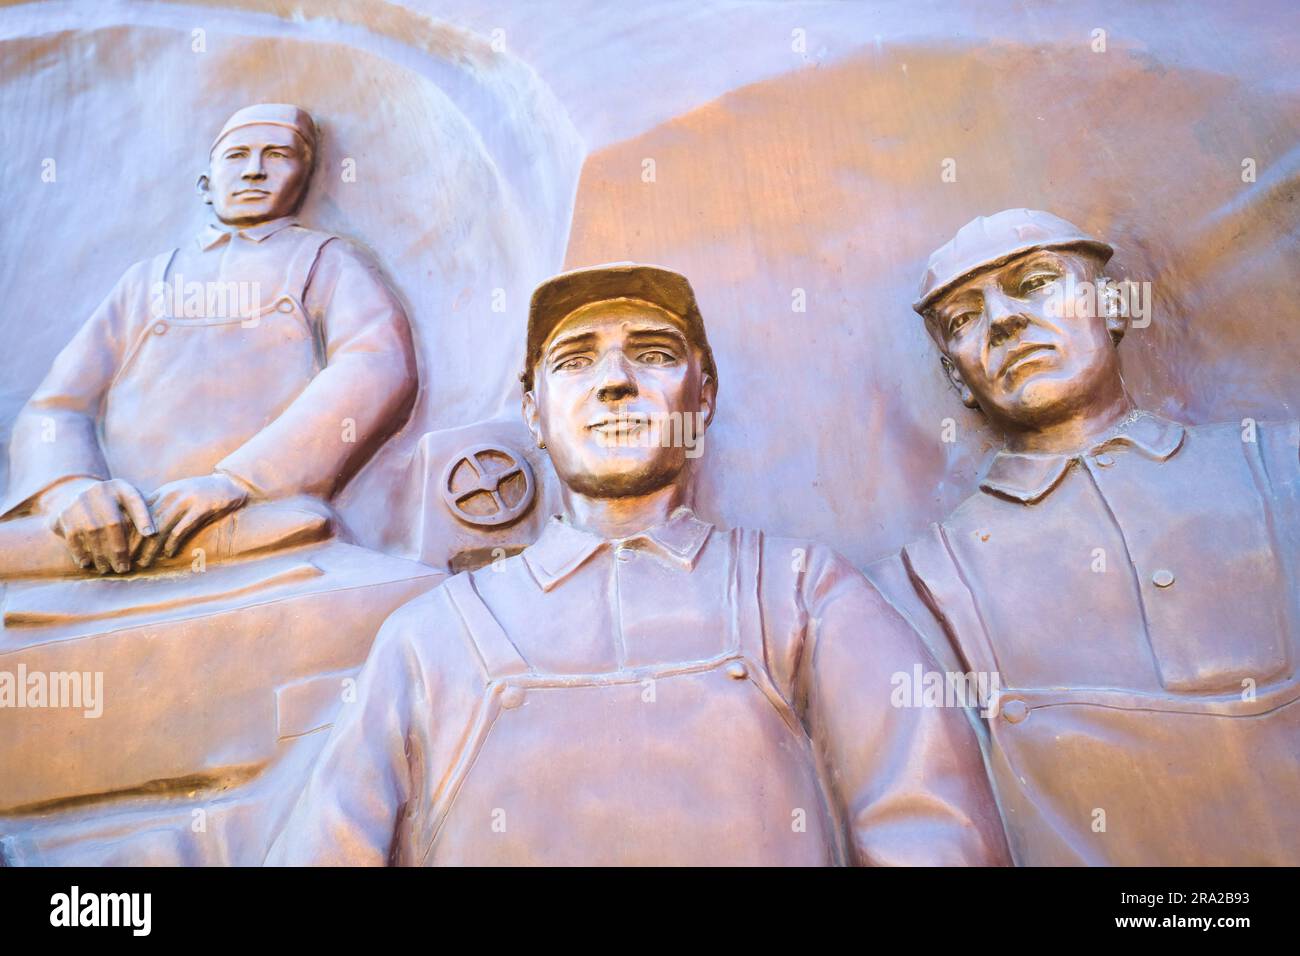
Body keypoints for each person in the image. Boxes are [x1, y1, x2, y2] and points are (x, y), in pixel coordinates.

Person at [267, 262, 1009, 866]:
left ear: (704, 395)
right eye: (575, 360)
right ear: (533, 412)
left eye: (652, 354)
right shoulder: (431, 639)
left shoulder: (803, 593)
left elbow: (931, 833)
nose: (615, 382)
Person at [885, 208, 1300, 865]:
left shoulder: (1281, 465)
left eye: (1035, 283)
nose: (1005, 321)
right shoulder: (928, 582)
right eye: (964, 318)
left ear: (1113, 305)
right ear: (957, 378)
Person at [0, 103, 416, 576]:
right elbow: (58, 405)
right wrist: (69, 489)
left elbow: (375, 366)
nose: (255, 171)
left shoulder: (326, 262)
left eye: (278, 155)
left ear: (307, 177)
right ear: (205, 183)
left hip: (253, 516)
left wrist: (239, 481)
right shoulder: (146, 282)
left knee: (303, 530)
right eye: (237, 155)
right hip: (122, 533)